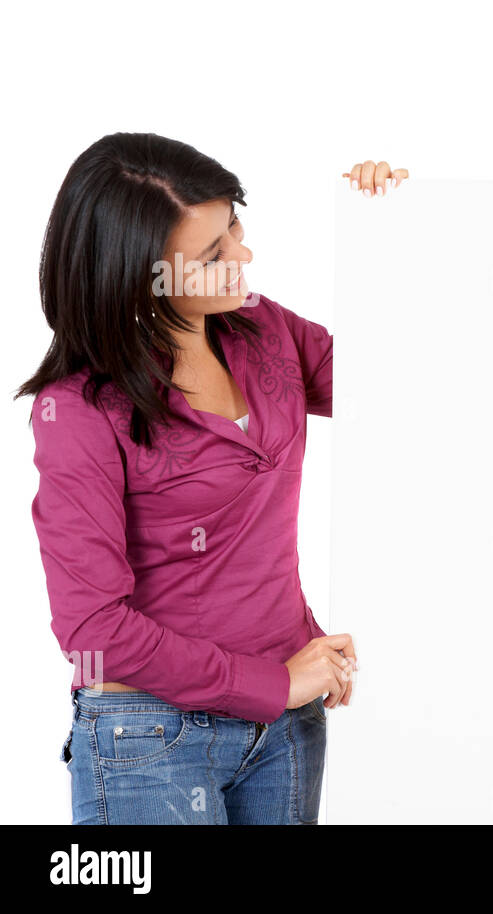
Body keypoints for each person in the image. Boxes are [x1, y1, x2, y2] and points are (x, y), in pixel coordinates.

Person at [18, 132, 405, 824]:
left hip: (287, 725)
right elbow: (93, 629)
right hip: (150, 734)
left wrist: (395, 233)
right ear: (138, 275)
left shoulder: (264, 330)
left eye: (235, 229)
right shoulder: (77, 411)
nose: (243, 258)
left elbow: (409, 386)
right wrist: (274, 683)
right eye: (212, 254)